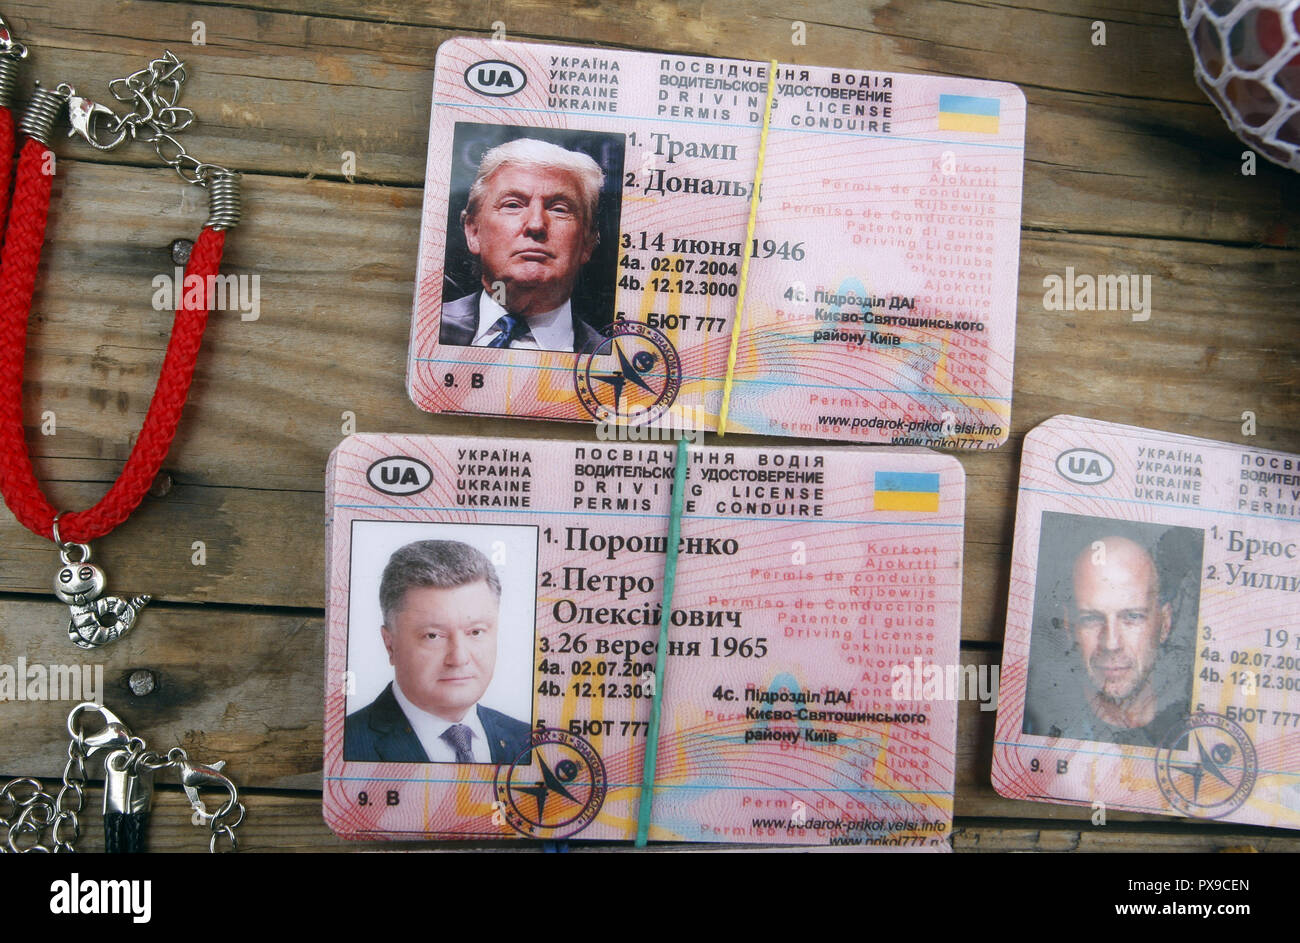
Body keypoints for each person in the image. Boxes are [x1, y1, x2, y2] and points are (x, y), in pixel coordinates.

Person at [345, 540, 531, 764]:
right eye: (433, 636)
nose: (459, 658)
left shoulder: (530, 742)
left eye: (475, 632)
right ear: (389, 645)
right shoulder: (347, 744)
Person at [440, 138, 606, 354]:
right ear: (473, 232)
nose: (536, 224)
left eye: (559, 209)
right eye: (512, 205)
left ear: (587, 241)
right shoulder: (427, 324)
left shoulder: (616, 359)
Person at [1025, 535, 1186, 747]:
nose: (1111, 643)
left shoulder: (1195, 735)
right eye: (1091, 619)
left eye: (1133, 617)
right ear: (1068, 625)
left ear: (1165, 624)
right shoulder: (1035, 728)